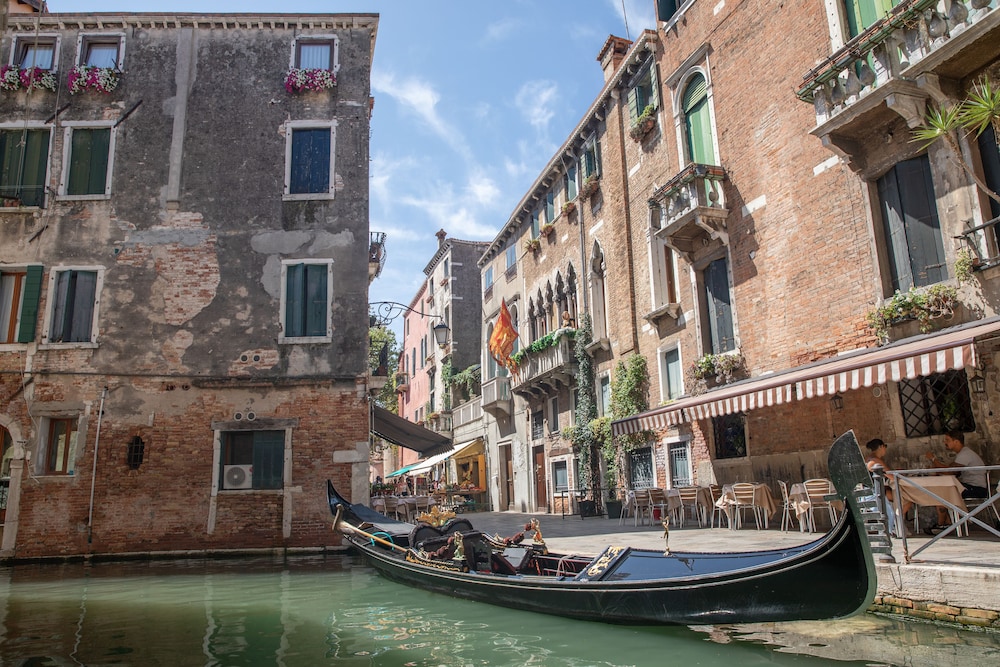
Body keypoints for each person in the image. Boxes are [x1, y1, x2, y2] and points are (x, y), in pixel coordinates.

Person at [924, 430, 988, 534]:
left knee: (942, 493)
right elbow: (953, 472)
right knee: (942, 491)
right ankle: (948, 524)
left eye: (947, 440)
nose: (945, 442)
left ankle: (943, 525)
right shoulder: (962, 454)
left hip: (975, 489)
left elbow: (950, 471)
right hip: (968, 486)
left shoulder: (965, 454)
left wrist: (933, 459)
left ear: (957, 442)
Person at [864, 438, 912, 537]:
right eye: (885, 446)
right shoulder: (876, 461)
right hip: (873, 493)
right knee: (904, 501)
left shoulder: (868, 459)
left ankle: (896, 526)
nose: (885, 449)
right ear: (881, 447)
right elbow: (891, 476)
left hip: (872, 491)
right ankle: (891, 529)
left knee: (903, 500)